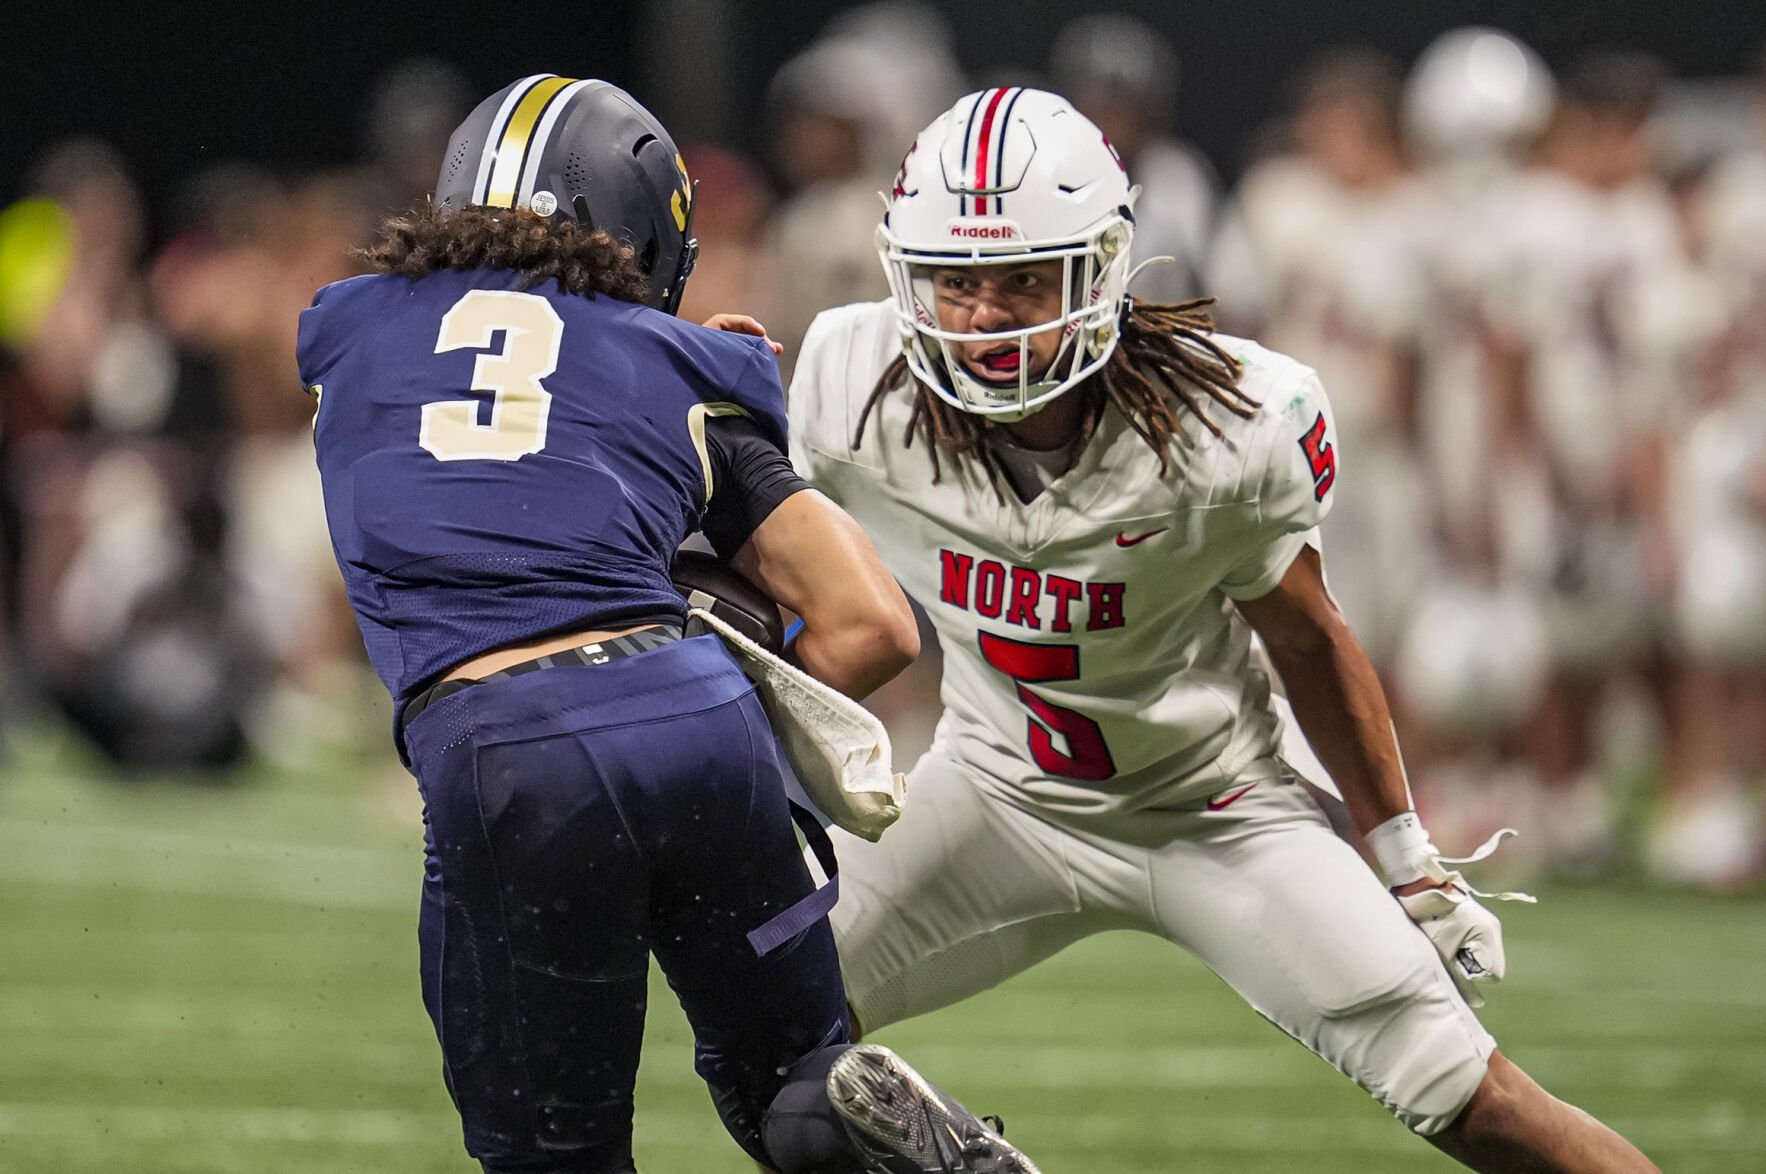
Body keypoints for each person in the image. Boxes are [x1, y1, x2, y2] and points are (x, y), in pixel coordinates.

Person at [788, 87, 1660, 1172]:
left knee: (1477, 1103)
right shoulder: (845, 382)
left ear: (1100, 268)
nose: (981, 314)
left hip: (1216, 811)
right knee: (764, 1025)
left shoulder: (1227, 428)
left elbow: (1306, 639)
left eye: (1022, 278)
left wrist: (1405, 857)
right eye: (954, 281)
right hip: (995, 792)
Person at [298, 74, 1039, 1174]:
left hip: (505, 741)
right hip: (698, 710)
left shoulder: (343, 327)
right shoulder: (687, 362)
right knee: (794, 1085)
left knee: (555, 1155)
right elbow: (873, 624)